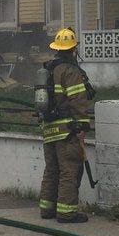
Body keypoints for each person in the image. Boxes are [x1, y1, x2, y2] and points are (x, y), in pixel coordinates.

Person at [37, 27, 94, 224]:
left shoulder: (48, 69)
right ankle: (67, 213)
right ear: (73, 49)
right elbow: (78, 100)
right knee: (69, 171)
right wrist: (82, 126)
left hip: (49, 128)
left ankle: (47, 209)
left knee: (51, 170)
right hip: (67, 130)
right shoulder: (70, 70)